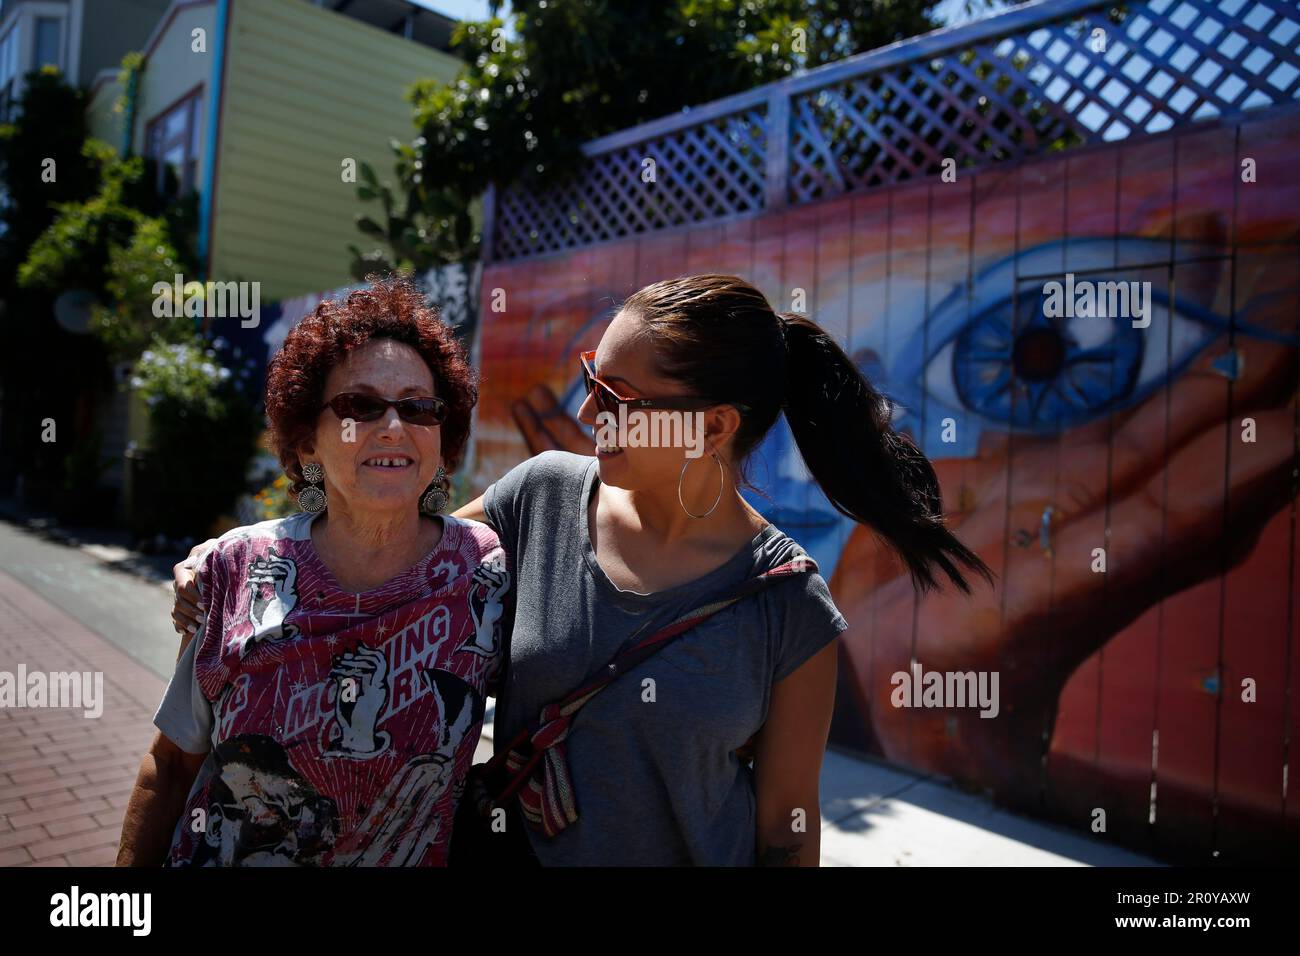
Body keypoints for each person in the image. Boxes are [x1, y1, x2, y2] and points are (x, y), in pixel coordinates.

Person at [172, 273, 990, 866]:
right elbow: (392, 554)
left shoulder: (791, 607)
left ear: (710, 427)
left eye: (619, 394)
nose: (589, 410)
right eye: (593, 378)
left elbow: (786, 832)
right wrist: (245, 555)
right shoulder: (542, 495)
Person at [119, 276, 509, 867]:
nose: (394, 426)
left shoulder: (486, 574)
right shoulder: (237, 568)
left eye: (418, 405)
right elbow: (171, 767)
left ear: (443, 435)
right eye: (360, 405)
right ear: (306, 442)